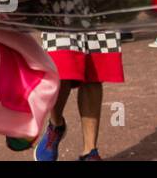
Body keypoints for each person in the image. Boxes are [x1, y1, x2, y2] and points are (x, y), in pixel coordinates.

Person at [34, 30, 123, 161]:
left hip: (98, 12)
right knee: (62, 62)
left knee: (94, 68)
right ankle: (56, 125)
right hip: (61, 12)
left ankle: (90, 151)